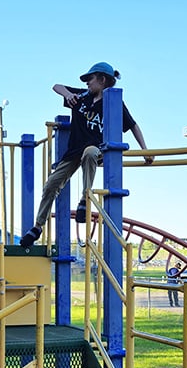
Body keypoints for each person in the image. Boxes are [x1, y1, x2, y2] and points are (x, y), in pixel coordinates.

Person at [20, 62, 154, 248]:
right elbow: (56, 86)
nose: (87, 83)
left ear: (102, 79)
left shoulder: (113, 103)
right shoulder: (82, 97)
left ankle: (85, 198)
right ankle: (37, 227)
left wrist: (145, 150)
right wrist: (68, 94)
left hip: (97, 150)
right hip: (73, 151)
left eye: (89, 79)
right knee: (51, 184)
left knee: (90, 152)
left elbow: (133, 125)